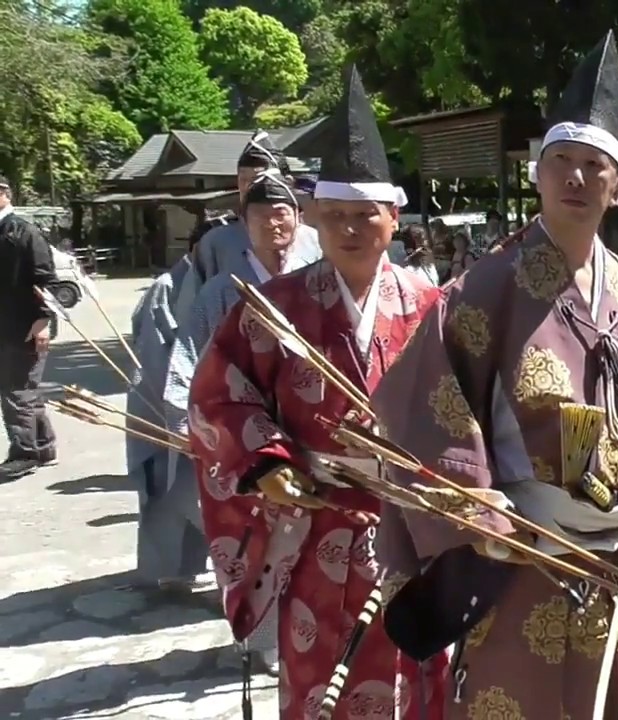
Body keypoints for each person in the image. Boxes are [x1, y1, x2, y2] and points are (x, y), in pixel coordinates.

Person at [371, 31, 618, 719]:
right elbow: (420, 405)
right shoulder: (484, 291)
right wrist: (474, 505)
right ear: (538, 172)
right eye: (562, 162)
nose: (577, 179)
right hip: (525, 557)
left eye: (595, 166)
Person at [186, 65, 447, 719]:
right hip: (320, 533)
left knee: (418, 684)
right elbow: (219, 395)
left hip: (413, 539)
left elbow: (473, 410)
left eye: (366, 215)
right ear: (313, 219)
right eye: (334, 216)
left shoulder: (433, 306)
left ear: (394, 215)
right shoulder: (274, 308)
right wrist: (266, 461)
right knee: (320, 691)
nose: (350, 229)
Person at [164, 169, 314, 672]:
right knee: (258, 546)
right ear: (243, 225)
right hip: (243, 440)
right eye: (261, 215)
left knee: (317, 542)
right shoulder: (218, 295)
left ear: (297, 218)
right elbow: (190, 365)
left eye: (282, 213)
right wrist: (191, 424)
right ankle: (264, 641)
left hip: (311, 436)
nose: (274, 224)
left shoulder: (320, 282)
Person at [127, 225, 208, 591]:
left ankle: (197, 566)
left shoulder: (219, 281)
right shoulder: (167, 286)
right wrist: (180, 401)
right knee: (167, 488)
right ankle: (166, 571)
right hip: (164, 400)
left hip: (206, 404)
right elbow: (154, 349)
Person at [173, 131, 321, 321]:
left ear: (287, 183)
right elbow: (192, 309)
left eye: (260, 177)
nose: (251, 186)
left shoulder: (316, 241)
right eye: (244, 180)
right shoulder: (215, 241)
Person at [0, 176, 58, 479]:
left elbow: (46, 281)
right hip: (4, 322)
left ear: (5, 194)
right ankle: (44, 445)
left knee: (16, 389)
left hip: (25, 323)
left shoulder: (23, 231)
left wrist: (42, 323)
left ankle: (24, 452)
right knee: (25, 388)